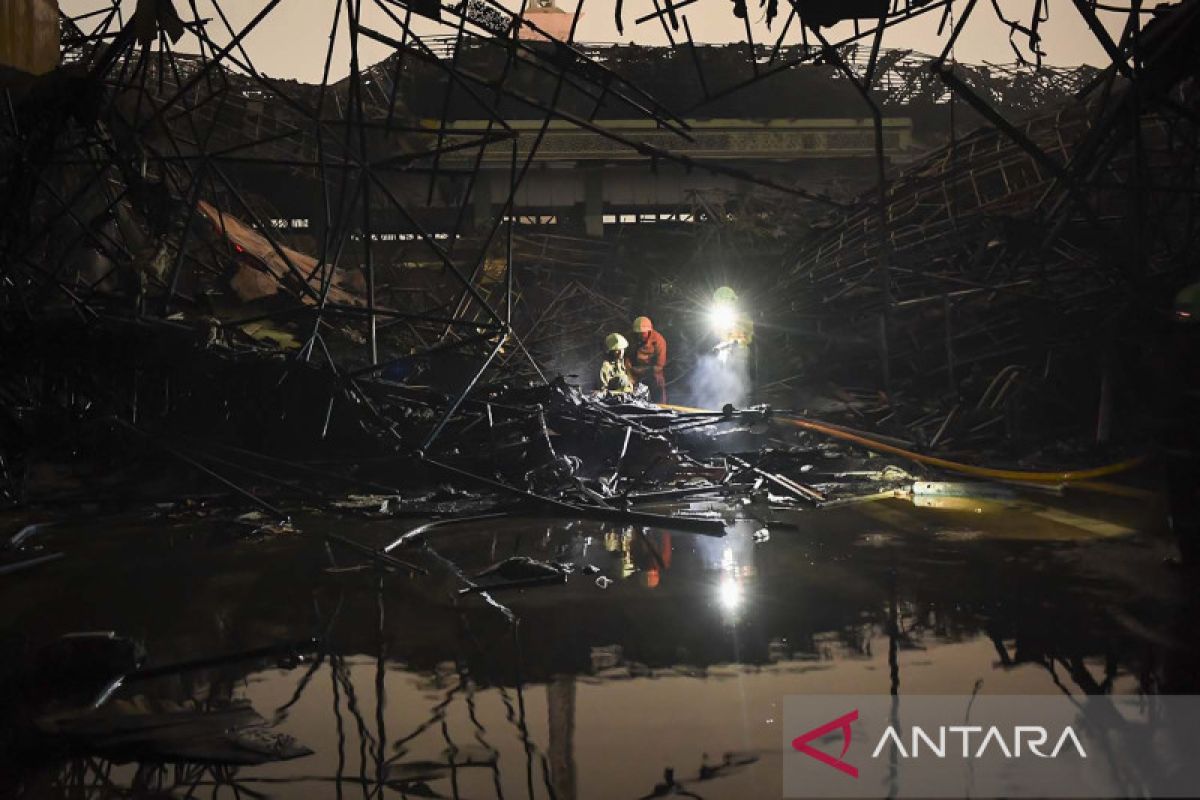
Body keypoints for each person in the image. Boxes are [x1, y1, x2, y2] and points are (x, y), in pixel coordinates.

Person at [627, 316, 667, 403]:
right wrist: (629, 371)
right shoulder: (631, 338)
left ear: (649, 331)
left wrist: (642, 370)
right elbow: (626, 357)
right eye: (638, 333)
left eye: (643, 333)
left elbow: (659, 366)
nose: (640, 335)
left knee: (658, 385)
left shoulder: (659, 341)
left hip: (653, 373)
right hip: (634, 373)